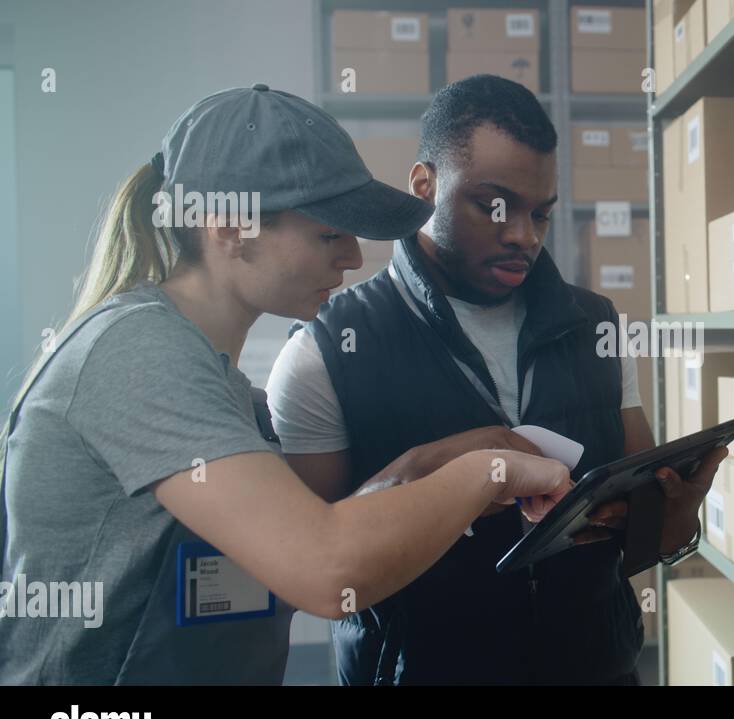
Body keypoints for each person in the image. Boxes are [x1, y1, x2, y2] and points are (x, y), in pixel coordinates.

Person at [0, 84, 571, 685]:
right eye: (330, 234)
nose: (353, 257)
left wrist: (422, 468)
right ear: (229, 228)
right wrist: (489, 473)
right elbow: (325, 571)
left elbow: (274, 561)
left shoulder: (225, 389)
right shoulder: (136, 352)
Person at [267, 75, 721, 685]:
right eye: (495, 206)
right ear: (424, 186)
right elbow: (304, 572)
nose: (524, 236)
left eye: (541, 214)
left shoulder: (598, 327)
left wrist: (678, 515)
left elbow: (641, 537)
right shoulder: (325, 350)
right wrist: (436, 467)